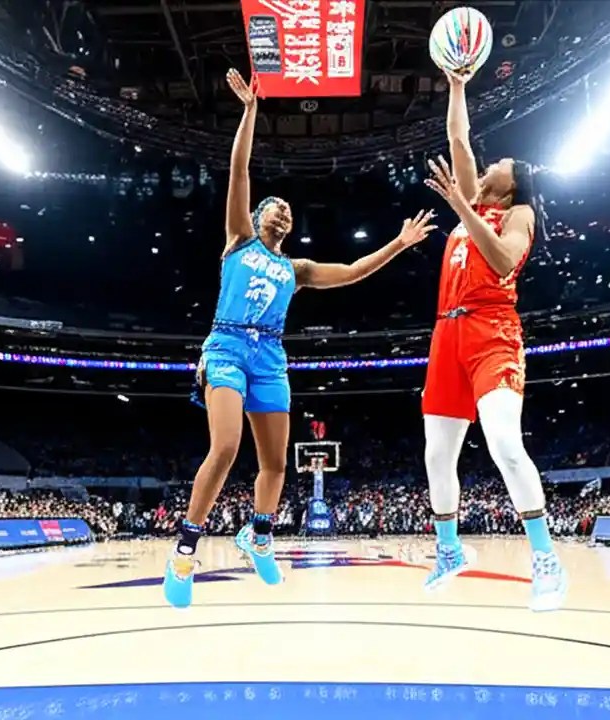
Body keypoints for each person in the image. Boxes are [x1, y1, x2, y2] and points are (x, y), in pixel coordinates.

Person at [162, 69, 438, 609]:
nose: (283, 210)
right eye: (275, 205)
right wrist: (250, 111)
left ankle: (259, 535)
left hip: (269, 355)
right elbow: (239, 169)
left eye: (288, 209)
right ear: (257, 216)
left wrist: (400, 243)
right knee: (225, 447)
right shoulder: (239, 241)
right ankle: (185, 552)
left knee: (276, 464)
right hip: (226, 347)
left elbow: (354, 271)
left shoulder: (298, 269)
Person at [417, 68, 566, 612]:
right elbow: (458, 137)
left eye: (496, 166)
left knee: (504, 442)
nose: (485, 168)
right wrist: (456, 85)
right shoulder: (474, 200)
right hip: (447, 332)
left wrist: (461, 207)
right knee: (437, 455)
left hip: (492, 329)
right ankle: (449, 549)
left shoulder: (517, 213)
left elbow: (504, 261)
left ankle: (546, 559)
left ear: (510, 183)